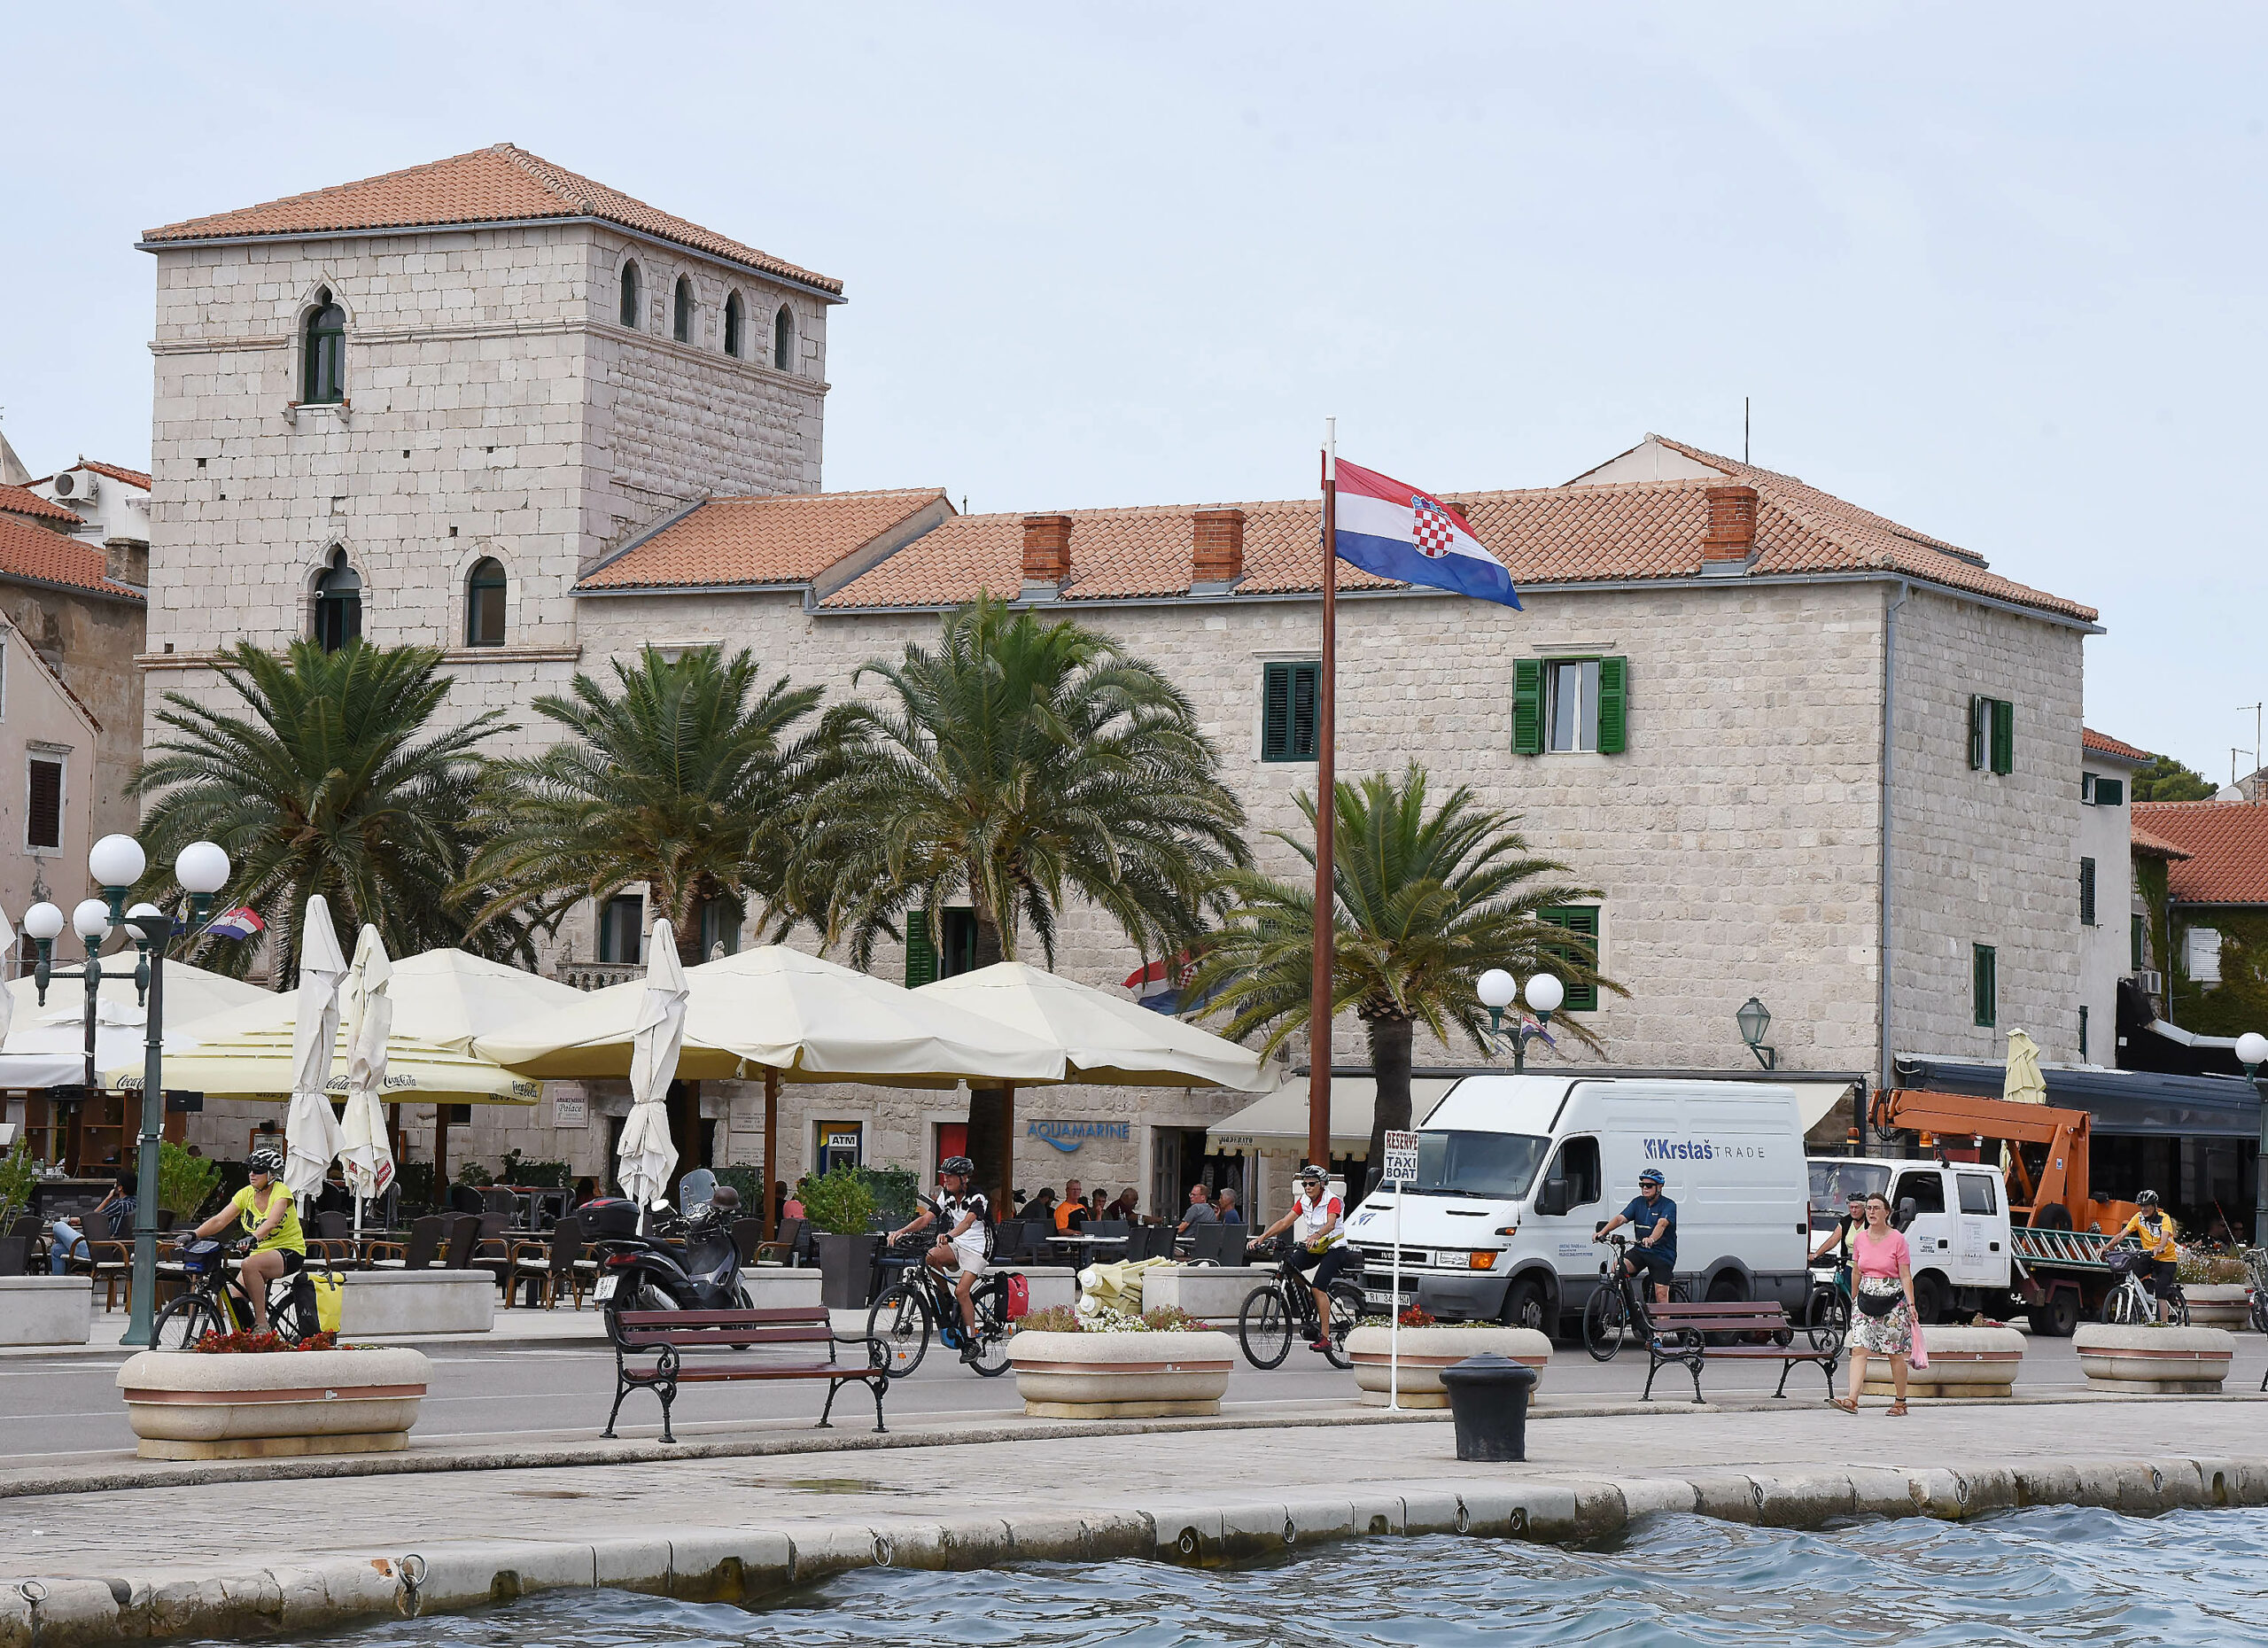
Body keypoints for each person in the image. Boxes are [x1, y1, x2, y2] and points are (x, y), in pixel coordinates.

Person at [180, 1149, 305, 1334]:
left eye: (258, 1170)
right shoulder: (246, 1194)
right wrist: (193, 1235)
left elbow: (272, 1222)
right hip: (260, 1252)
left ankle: (261, 1324)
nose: (252, 1174)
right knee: (233, 1296)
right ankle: (249, 1338)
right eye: (250, 1170)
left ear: (272, 1175)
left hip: (288, 1251)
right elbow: (220, 1220)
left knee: (249, 1264)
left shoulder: (281, 1193)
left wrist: (253, 1238)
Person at [885, 1156, 990, 1361]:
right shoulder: (946, 1196)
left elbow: (968, 1223)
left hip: (979, 1248)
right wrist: (901, 1231)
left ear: (964, 1178)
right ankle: (945, 1297)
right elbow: (926, 1218)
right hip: (959, 1244)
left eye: (950, 1176)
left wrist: (950, 1235)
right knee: (931, 1256)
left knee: (962, 1290)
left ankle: (971, 1341)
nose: (946, 1180)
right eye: (945, 1176)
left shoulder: (977, 1197)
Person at [1834, 1191, 1918, 1416]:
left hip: (1892, 1302)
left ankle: (1900, 1402)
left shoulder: (1898, 1239)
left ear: (1887, 1212)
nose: (1871, 1212)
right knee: (1859, 1349)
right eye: (1868, 1208)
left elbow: (1905, 1275)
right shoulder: (1860, 1238)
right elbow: (1856, 1271)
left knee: (1894, 1353)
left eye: (1876, 1208)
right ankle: (1852, 1399)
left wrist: (1911, 1304)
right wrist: (1853, 1298)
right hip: (1865, 1298)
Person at [1254, 1164, 1351, 1352]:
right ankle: (1307, 1299)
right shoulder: (1304, 1201)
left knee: (1318, 1287)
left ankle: (1325, 1337)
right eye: (1304, 1184)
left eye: (1311, 1184)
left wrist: (1316, 1235)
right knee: (1289, 1264)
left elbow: (1331, 1224)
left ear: (1322, 1184)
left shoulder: (1333, 1201)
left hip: (1333, 1247)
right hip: (1313, 1246)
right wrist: (1262, 1237)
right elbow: (1285, 1222)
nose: (1307, 1188)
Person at [1594, 1167, 1677, 1305]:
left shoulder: (1669, 1205)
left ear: (1660, 1187)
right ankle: (1630, 1307)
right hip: (1641, 1251)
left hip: (1662, 1254)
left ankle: (1664, 1323)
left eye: (1649, 1185)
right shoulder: (1637, 1202)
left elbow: (1662, 1224)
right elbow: (1620, 1218)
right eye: (1642, 1185)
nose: (1645, 1188)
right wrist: (1603, 1232)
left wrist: (1651, 1239)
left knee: (1661, 1294)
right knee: (1618, 1268)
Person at [48, 1170, 136, 1275]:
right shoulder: (136, 1205)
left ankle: (62, 1285)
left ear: (120, 1188)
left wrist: (108, 1199)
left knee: (58, 1226)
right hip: (120, 1252)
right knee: (56, 1249)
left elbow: (91, 1219)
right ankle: (60, 1286)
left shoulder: (118, 1205)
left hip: (98, 1251)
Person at [2116, 1191, 2182, 1324]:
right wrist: (2106, 1248)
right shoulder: (2138, 1218)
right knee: (2130, 1273)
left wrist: (2160, 1247)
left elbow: (2165, 1235)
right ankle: (2136, 1306)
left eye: (2147, 1206)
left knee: (2160, 1290)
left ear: (2154, 1206)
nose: (2144, 1209)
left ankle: (2164, 1323)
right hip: (2151, 1257)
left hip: (2167, 1261)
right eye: (2141, 1206)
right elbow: (2121, 1235)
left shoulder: (2164, 1218)